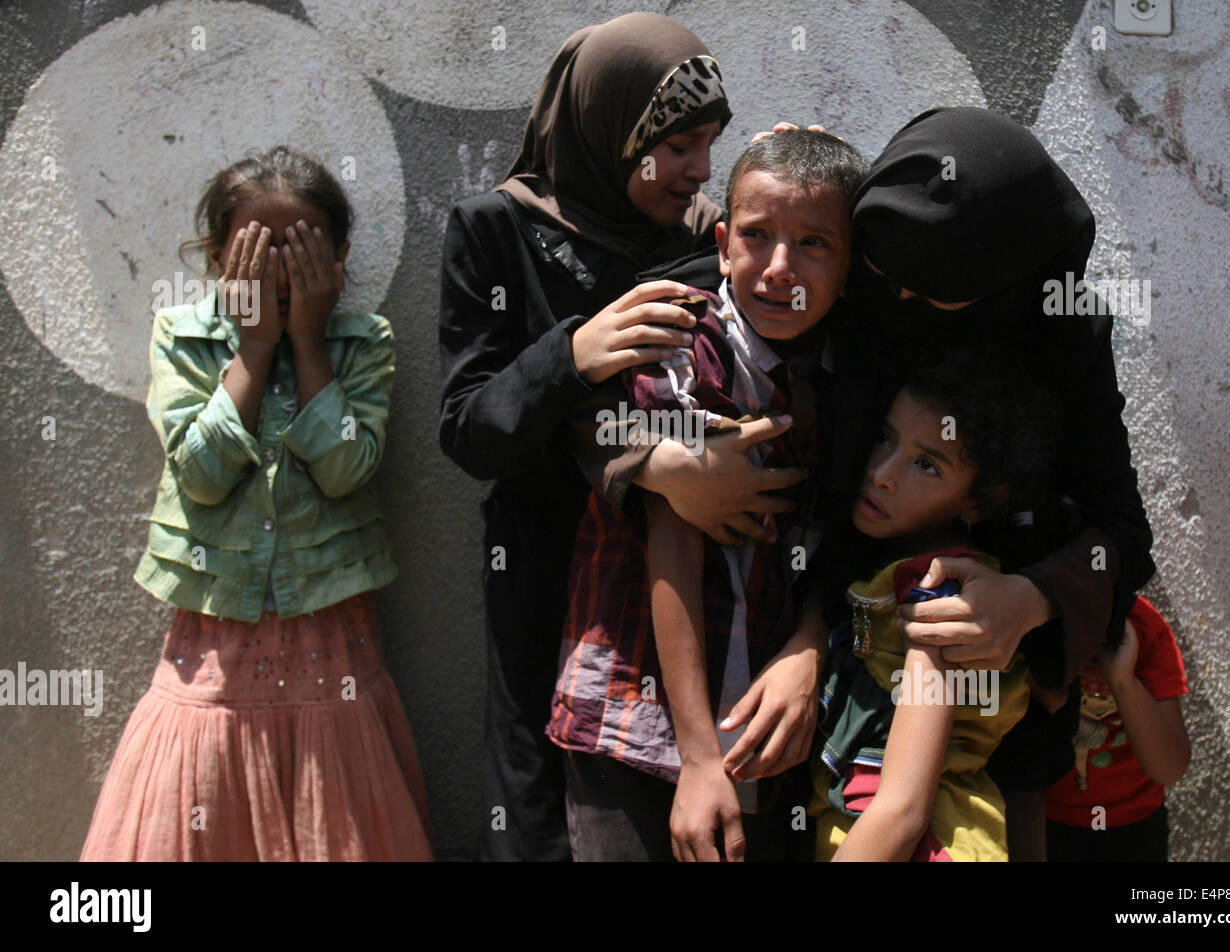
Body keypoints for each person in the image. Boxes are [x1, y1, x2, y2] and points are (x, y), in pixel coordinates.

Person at [438, 12, 751, 861]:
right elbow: (468, 429)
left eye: (713, 144)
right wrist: (570, 356)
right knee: (545, 821)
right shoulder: (497, 230)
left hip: (692, 581)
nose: (700, 170)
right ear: (613, 129)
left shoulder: (711, 239)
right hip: (548, 583)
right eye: (680, 144)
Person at [81, 146, 432, 861]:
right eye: (256, 255)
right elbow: (202, 475)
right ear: (217, 258)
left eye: (298, 254)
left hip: (329, 638)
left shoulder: (362, 345)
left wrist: (306, 343)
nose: (277, 276)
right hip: (216, 639)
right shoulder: (183, 340)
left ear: (338, 258)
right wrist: (252, 348)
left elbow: (346, 469)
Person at [824, 107, 1157, 860]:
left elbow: (1122, 533)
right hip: (822, 686)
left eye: (935, 292)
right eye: (885, 277)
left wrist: (1032, 597)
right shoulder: (866, 274)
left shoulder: (1062, 332)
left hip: (994, 725)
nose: (899, 304)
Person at [548, 130, 867, 862]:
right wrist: (697, 757)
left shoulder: (839, 372)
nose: (780, 268)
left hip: (757, 707)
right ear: (723, 244)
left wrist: (809, 641)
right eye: (757, 236)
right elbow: (675, 532)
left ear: (852, 266)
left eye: (815, 243)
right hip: (637, 713)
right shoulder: (683, 341)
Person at [811, 348, 1058, 861]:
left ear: (980, 502)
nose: (882, 473)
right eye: (884, 437)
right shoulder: (881, 567)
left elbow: (902, 809)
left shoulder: (943, 594)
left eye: (926, 464)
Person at [1040, 596, 1189, 861]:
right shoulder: (1030, 612)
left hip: (1133, 826)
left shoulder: (1142, 627)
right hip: (1039, 818)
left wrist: (1122, 680)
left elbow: (1170, 768)